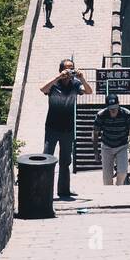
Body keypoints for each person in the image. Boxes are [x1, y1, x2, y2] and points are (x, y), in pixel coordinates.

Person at [40, 59, 93, 199]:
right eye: (67, 69)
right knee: (47, 158)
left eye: (72, 69)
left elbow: (89, 92)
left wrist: (82, 78)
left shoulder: (75, 84)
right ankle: (44, 190)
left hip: (68, 129)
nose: (69, 72)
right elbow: (43, 89)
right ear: (61, 70)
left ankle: (64, 190)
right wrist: (58, 77)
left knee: (65, 161)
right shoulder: (54, 84)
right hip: (52, 128)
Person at [93, 94, 130, 186]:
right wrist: (96, 151)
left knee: (122, 172)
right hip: (107, 146)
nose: (113, 111)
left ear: (119, 105)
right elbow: (95, 133)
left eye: (115, 108)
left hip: (122, 146)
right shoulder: (101, 115)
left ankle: (119, 188)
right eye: (111, 108)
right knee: (107, 178)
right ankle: (109, 196)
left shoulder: (126, 114)